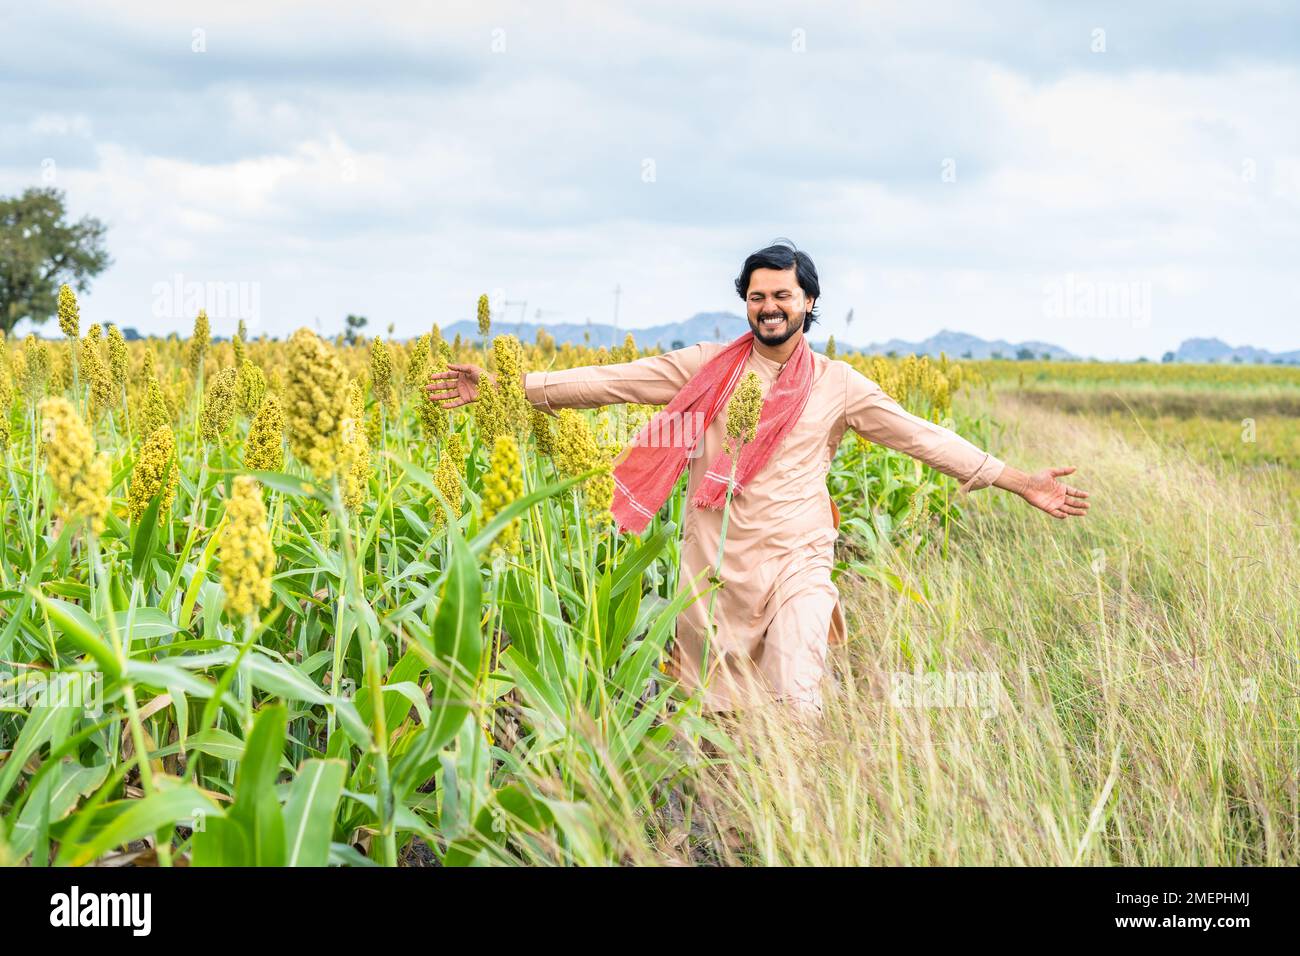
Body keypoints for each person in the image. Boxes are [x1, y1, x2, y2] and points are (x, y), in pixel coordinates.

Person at [426, 240, 1090, 718]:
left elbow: (920, 435)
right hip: (715, 561)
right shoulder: (705, 365)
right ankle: (744, 819)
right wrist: (508, 388)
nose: (768, 307)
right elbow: (611, 382)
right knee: (719, 711)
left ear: (808, 301)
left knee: (797, 690)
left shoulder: (839, 386)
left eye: (782, 295)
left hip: (798, 556)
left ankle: (804, 816)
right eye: (757, 296)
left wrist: (1015, 478)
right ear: (746, 303)